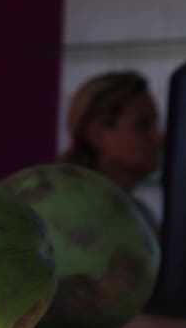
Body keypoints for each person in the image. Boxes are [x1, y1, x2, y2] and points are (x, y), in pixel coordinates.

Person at [61, 71, 164, 230]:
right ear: (98, 135)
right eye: (142, 125)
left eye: (155, 124)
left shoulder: (138, 213)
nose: (158, 138)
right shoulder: (74, 213)